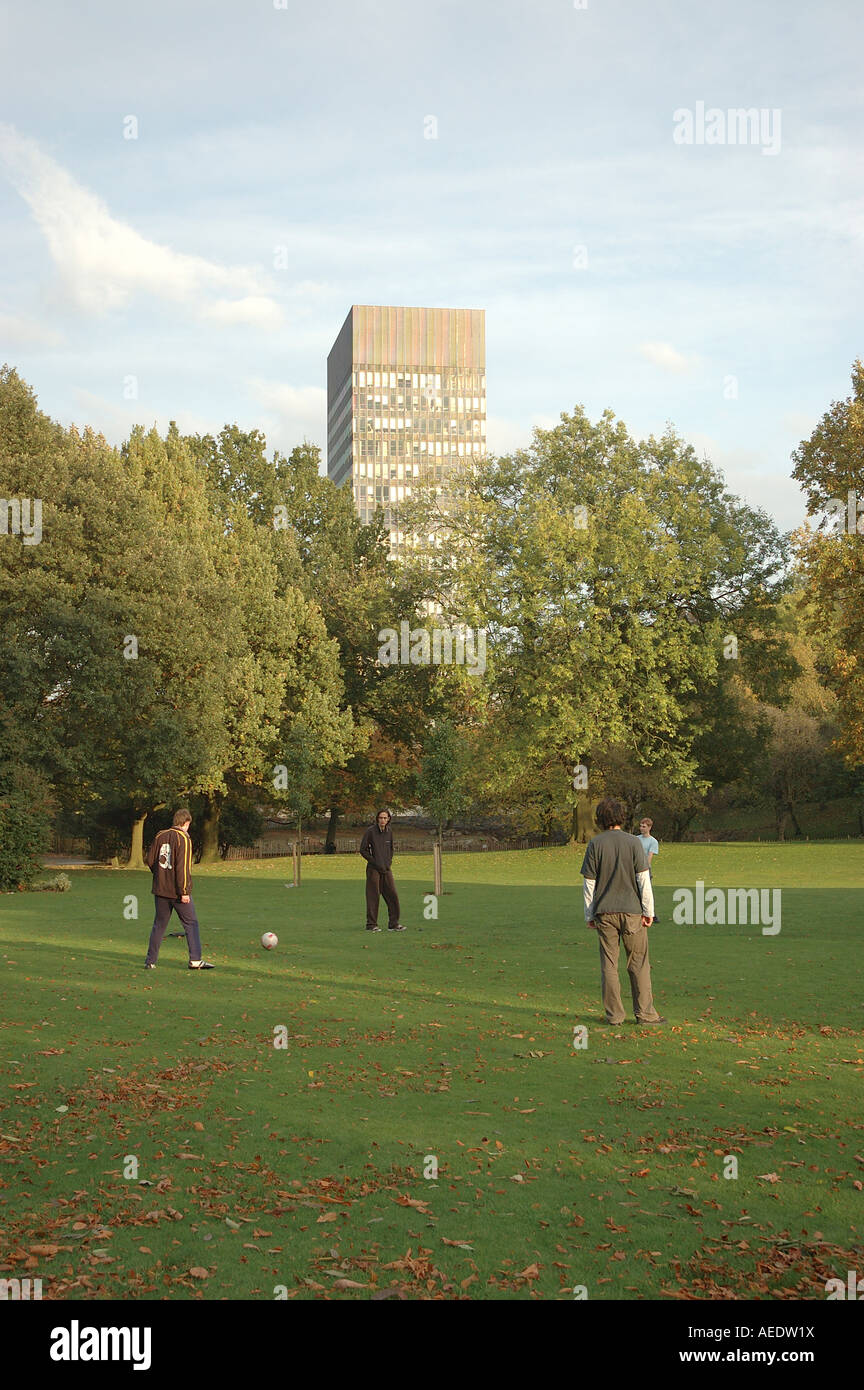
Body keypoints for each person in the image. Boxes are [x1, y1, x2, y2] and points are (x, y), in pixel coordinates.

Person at [581, 797, 665, 1026]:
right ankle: (646, 1014)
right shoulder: (634, 843)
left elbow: (589, 883)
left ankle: (615, 1016)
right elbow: (643, 880)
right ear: (622, 817)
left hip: (605, 912)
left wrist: (589, 915)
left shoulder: (595, 844)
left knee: (609, 964)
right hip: (632, 912)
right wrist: (649, 911)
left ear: (600, 818)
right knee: (638, 962)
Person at [143, 809, 215, 970]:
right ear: (185, 823)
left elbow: (149, 860)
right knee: (191, 923)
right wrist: (184, 891)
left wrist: (160, 876)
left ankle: (150, 961)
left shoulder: (160, 835)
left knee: (159, 925)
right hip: (176, 892)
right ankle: (195, 960)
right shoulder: (184, 838)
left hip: (160, 890)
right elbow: (183, 868)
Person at [359, 808, 405, 932]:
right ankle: (371, 925)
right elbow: (363, 850)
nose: (382, 820)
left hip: (386, 868)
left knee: (393, 895)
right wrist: (374, 862)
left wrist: (388, 862)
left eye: (385, 818)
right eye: (380, 818)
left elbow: (391, 849)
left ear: (388, 819)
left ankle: (394, 924)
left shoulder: (389, 832)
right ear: (377, 819)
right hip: (373, 869)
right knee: (373, 896)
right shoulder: (370, 831)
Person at [637, 816, 660, 923]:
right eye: (640, 826)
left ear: (649, 827)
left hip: (645, 869)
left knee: (646, 892)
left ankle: (651, 914)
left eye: (644, 826)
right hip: (634, 869)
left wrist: (644, 869)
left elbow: (649, 858)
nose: (641, 828)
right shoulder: (636, 839)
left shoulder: (653, 841)